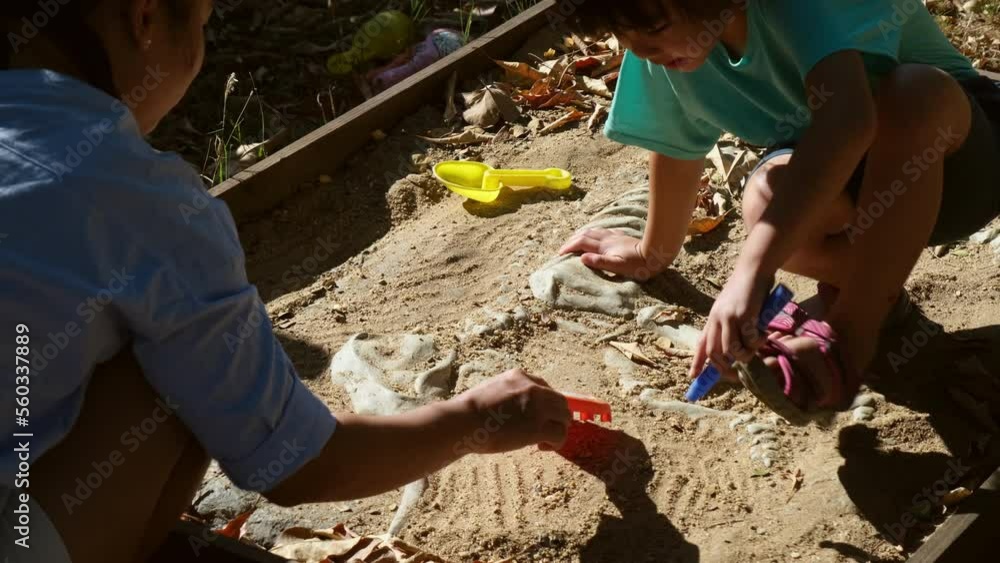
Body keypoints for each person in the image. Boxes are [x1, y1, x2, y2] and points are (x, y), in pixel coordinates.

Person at [0, 1, 571, 562]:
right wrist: (474, 420)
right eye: (201, 22)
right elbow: (298, 464)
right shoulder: (140, 196)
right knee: (177, 371)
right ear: (144, 17)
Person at [561, 0, 1000, 418]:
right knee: (766, 197)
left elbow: (848, 121)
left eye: (655, 28)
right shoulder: (662, 48)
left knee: (914, 93)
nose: (640, 49)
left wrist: (750, 274)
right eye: (623, 34)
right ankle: (874, 298)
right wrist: (651, 252)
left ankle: (850, 338)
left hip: (967, 167)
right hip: (869, 207)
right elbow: (676, 147)